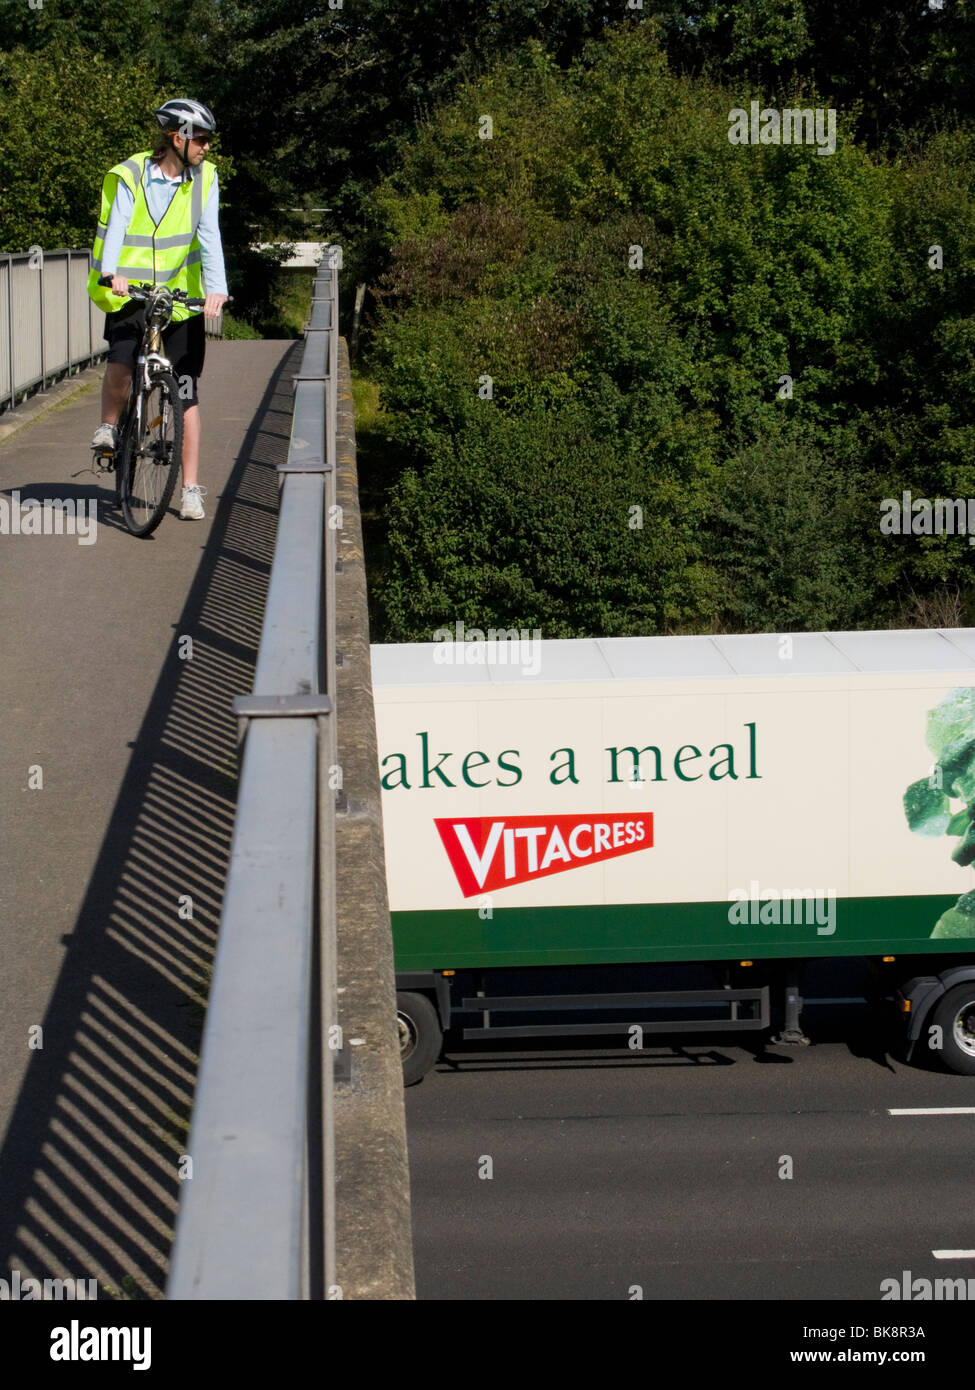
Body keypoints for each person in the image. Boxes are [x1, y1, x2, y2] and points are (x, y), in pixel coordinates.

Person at [88, 98, 229, 520]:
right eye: (200, 139)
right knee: (121, 364)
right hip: (130, 292)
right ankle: (110, 426)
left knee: (185, 391)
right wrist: (112, 272)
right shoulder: (132, 174)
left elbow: (210, 237)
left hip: (180, 301)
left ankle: (189, 489)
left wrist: (217, 290)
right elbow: (117, 225)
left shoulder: (205, 180)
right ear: (177, 138)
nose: (206, 147)